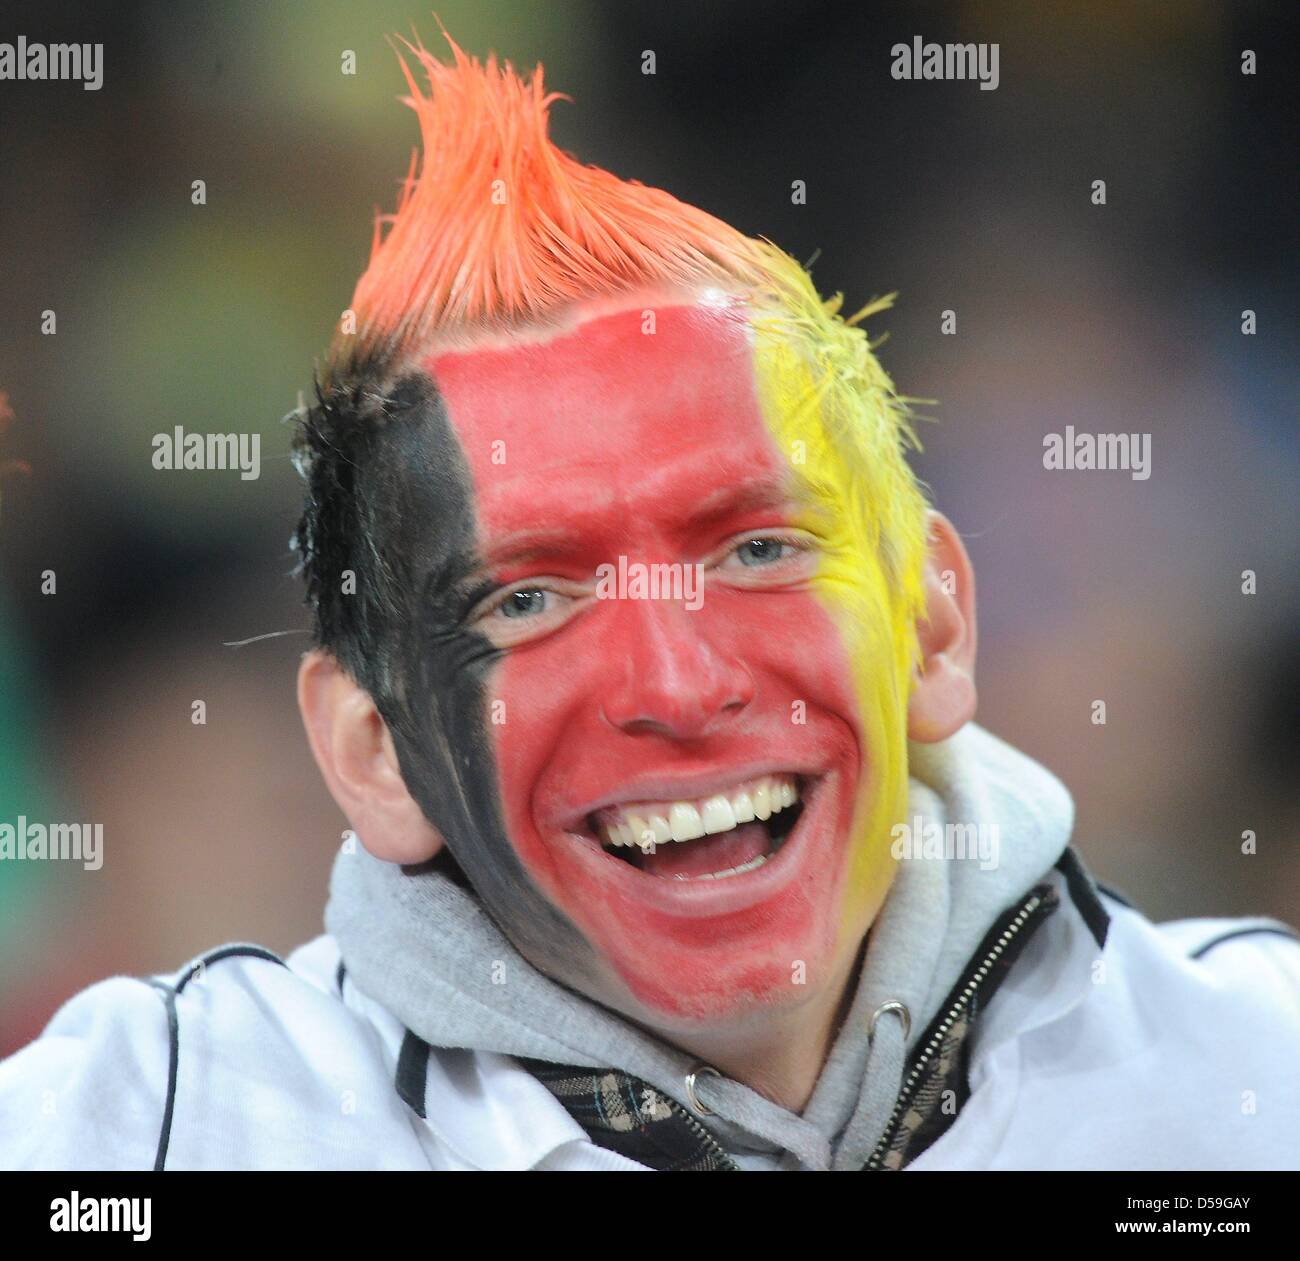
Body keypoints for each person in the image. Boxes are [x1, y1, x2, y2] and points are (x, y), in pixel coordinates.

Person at [3, 34, 1297, 1172]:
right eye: (531, 596)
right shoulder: (142, 1133)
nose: (677, 684)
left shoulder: (1260, 1077)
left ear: (933, 623)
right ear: (373, 751)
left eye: (756, 550)